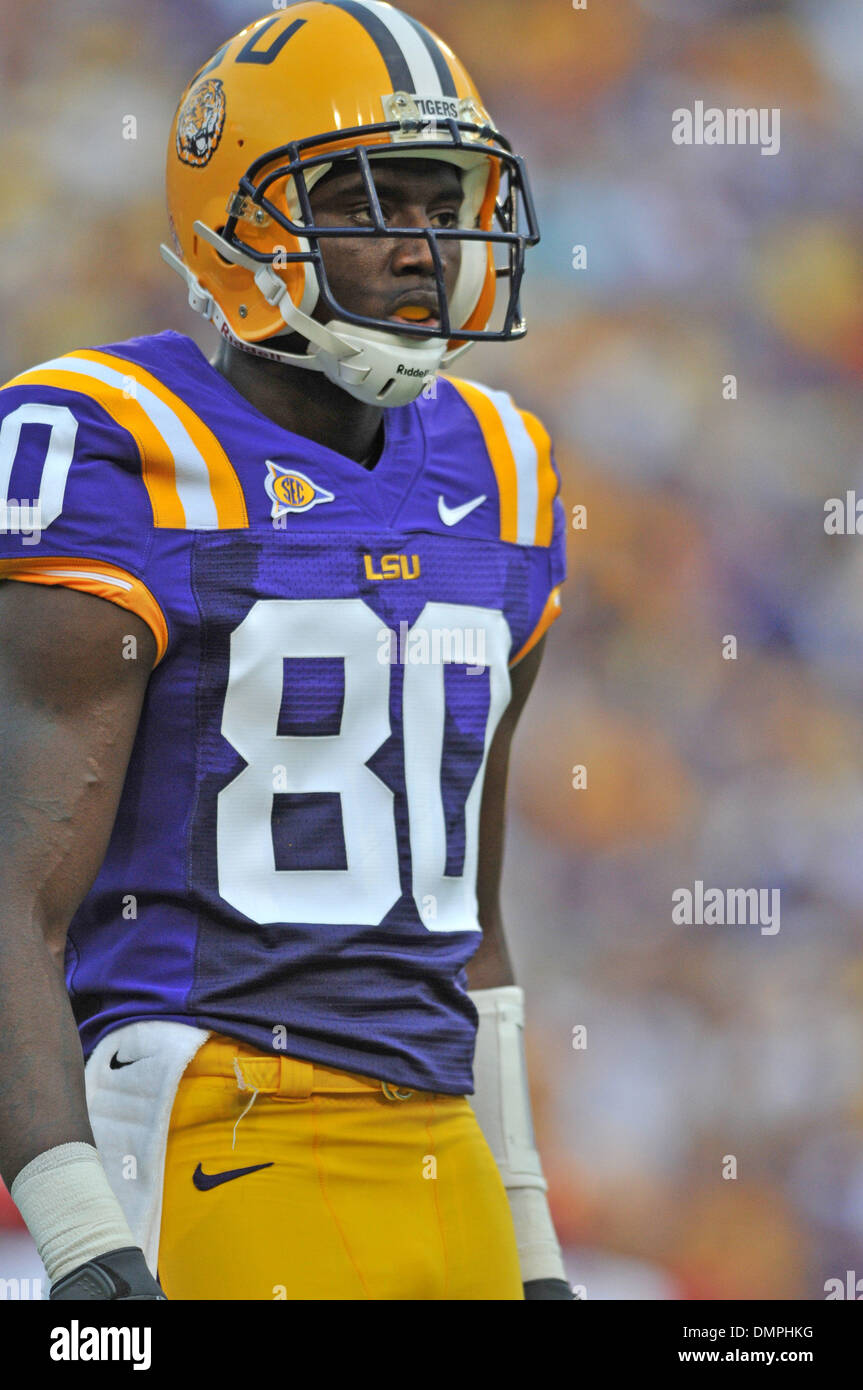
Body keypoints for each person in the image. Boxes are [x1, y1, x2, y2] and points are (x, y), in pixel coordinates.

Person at [0, 1, 571, 1301]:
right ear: (243, 220)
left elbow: (466, 917)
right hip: (220, 1122)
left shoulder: (507, 468)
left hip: (444, 1147)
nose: (433, 244)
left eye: (451, 202)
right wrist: (82, 1235)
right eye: (381, 200)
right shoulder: (119, 445)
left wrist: (531, 1234)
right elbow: (9, 889)